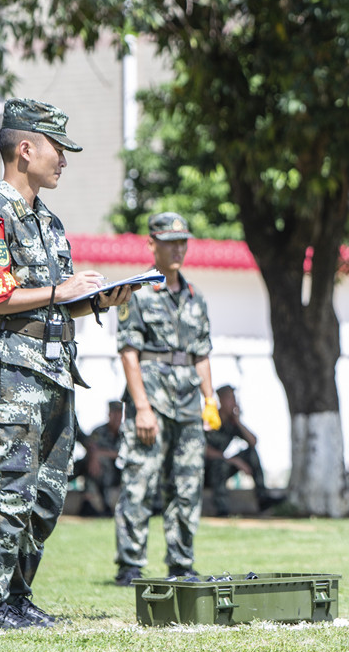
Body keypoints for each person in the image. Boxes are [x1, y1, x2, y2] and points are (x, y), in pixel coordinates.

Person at [0, 98, 133, 630]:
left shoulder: (48, 221)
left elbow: (55, 298)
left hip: (57, 370)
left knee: (47, 496)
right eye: (58, 148)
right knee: (11, 487)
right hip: (15, 373)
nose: (64, 160)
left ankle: (17, 596)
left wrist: (100, 300)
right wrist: (62, 289)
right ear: (26, 148)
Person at [114, 212, 219, 587]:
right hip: (153, 402)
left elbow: (201, 352)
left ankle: (181, 561)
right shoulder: (137, 293)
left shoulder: (195, 297)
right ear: (152, 244)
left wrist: (211, 399)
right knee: (140, 482)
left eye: (182, 242)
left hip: (190, 403)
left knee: (188, 485)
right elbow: (129, 352)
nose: (178, 249)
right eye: (170, 242)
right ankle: (130, 565)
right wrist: (141, 407)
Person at [204, 384, 274, 516]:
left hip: (223, 467)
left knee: (250, 453)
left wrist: (238, 421)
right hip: (205, 471)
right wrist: (234, 461)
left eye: (234, 398)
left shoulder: (232, 424)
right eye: (230, 398)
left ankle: (262, 498)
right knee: (221, 463)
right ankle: (222, 509)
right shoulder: (211, 420)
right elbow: (203, 449)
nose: (234, 402)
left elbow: (253, 442)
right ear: (221, 400)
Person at [80, 401, 124, 517]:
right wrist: (95, 456)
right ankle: (91, 502)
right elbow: (90, 447)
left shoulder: (124, 434)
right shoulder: (99, 431)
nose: (116, 418)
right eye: (114, 414)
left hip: (119, 473)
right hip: (101, 474)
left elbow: (124, 454)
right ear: (109, 414)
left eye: (119, 414)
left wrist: (100, 453)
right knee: (94, 462)